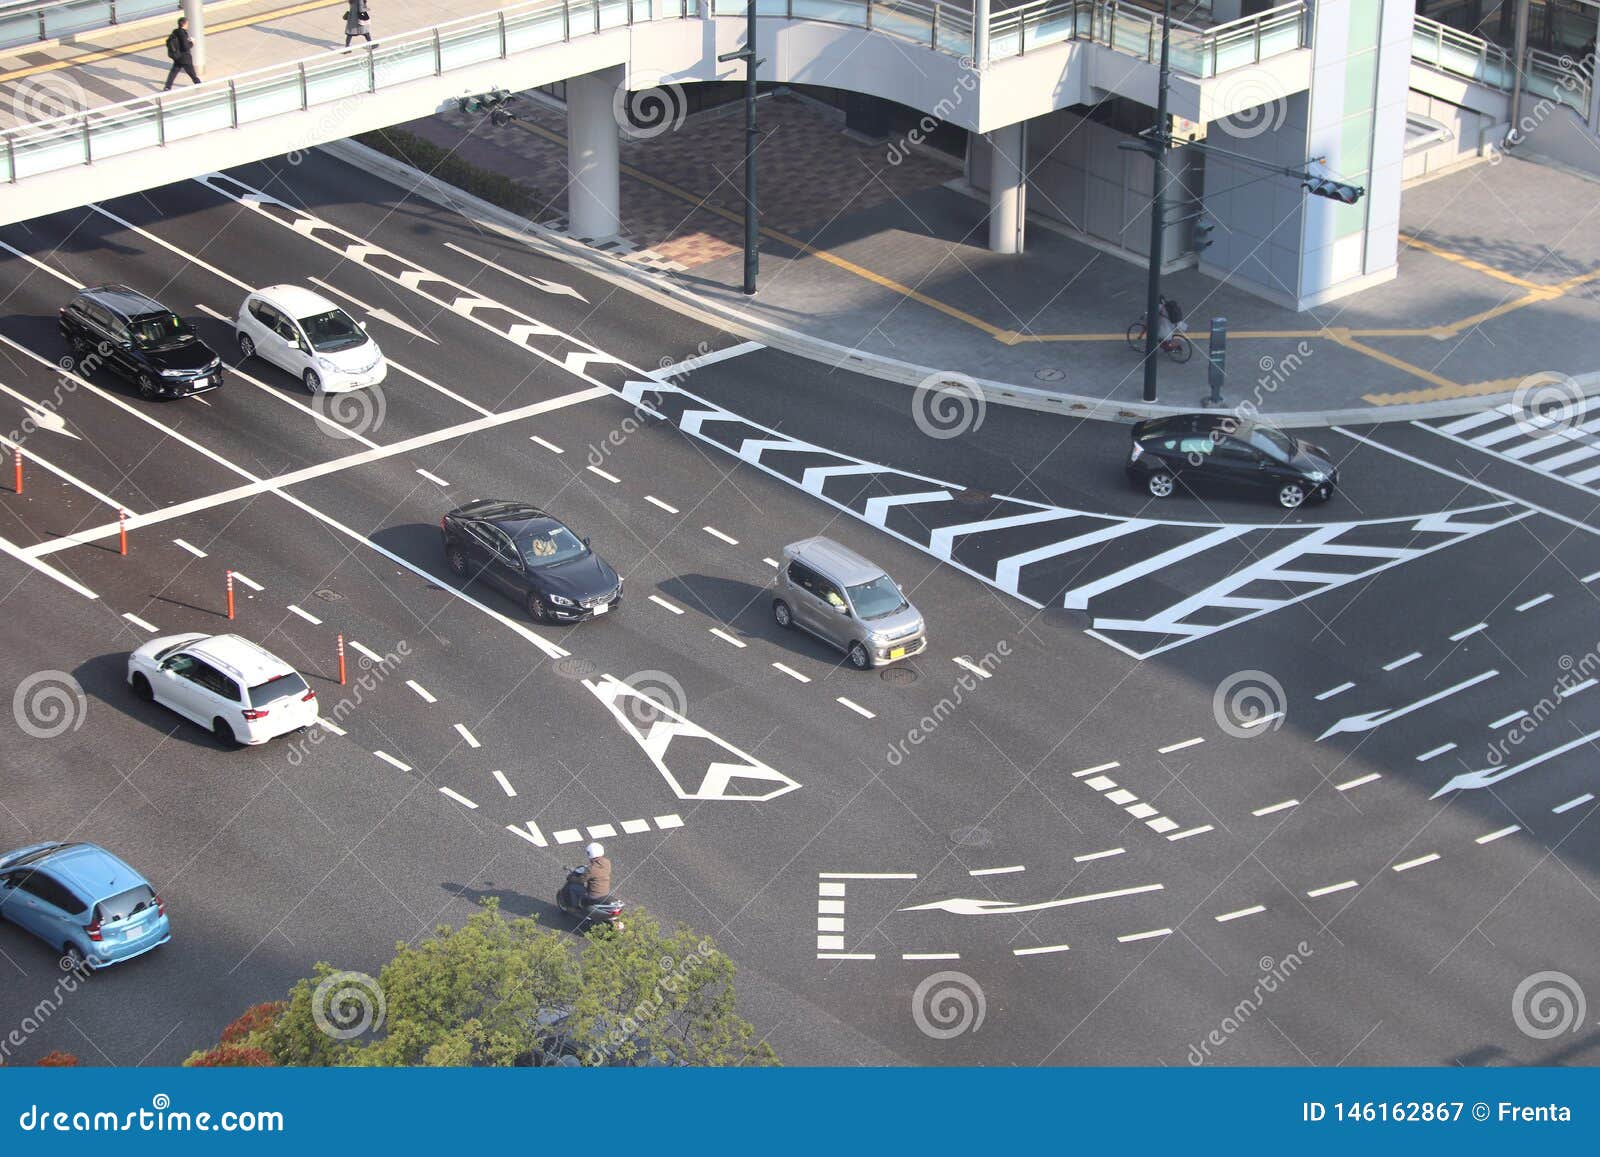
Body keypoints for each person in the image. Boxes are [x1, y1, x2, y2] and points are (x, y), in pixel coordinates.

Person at [162, 17, 200, 91]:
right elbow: (185, 47)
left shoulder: (175, 31)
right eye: (187, 23)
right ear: (184, 24)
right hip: (185, 57)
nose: (188, 25)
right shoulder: (183, 33)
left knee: (173, 72)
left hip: (177, 56)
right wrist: (192, 43)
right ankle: (197, 82)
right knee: (191, 71)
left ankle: (167, 86)